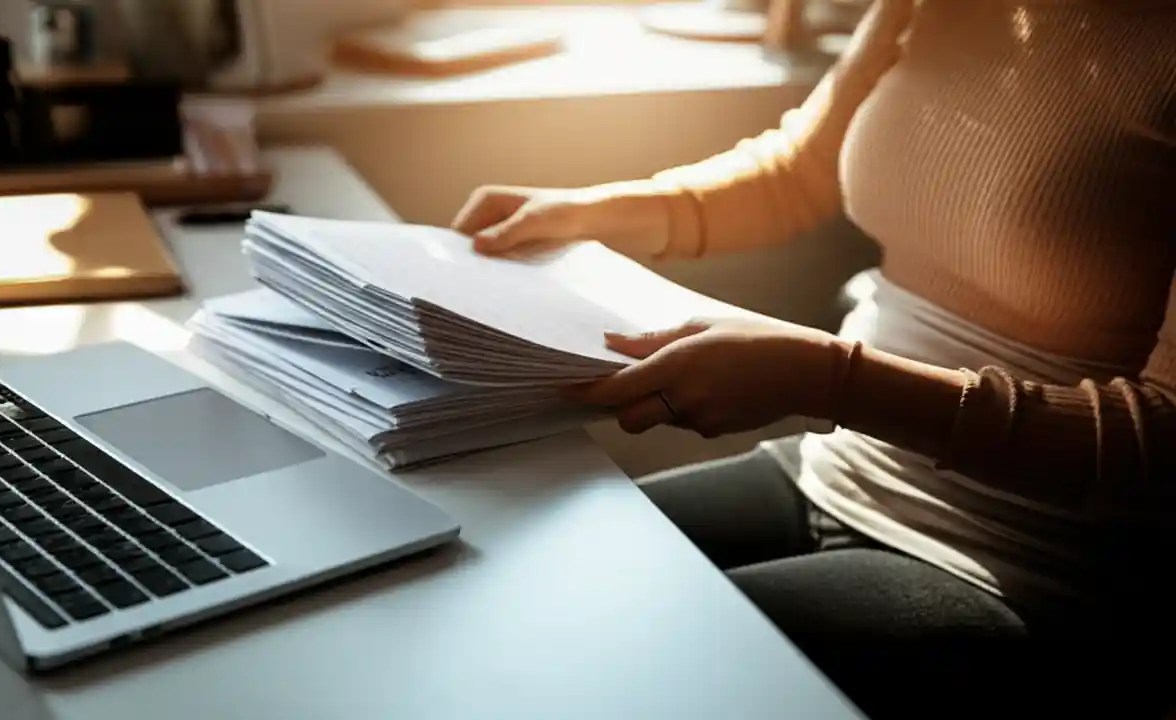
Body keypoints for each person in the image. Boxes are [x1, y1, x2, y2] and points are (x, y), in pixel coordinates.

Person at [451, 0, 1174, 717]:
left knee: (591, 662)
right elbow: (799, 171)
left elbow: (1163, 439)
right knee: (502, 577)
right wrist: (587, 212)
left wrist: (827, 379)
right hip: (839, 468)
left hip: (1025, 567)